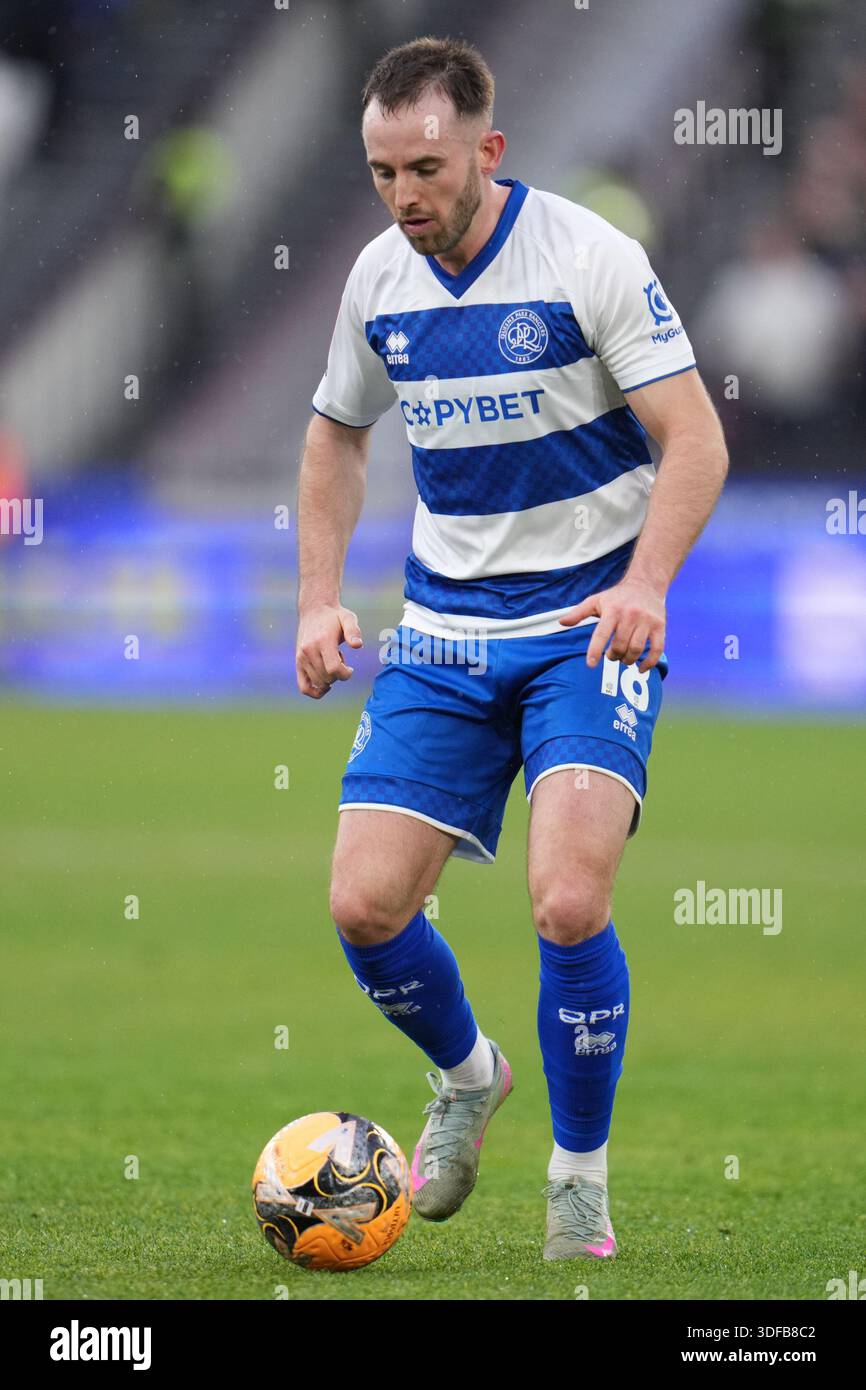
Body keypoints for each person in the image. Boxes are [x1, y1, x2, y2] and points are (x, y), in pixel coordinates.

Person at [296, 35, 728, 1261]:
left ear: (487, 149)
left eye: (423, 167)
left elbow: (692, 439)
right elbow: (334, 435)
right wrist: (318, 597)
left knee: (565, 898)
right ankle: (467, 1075)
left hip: (586, 625)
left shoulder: (588, 257)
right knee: (364, 905)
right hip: (439, 635)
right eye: (381, 172)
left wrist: (646, 584)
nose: (403, 196)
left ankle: (577, 1178)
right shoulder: (378, 278)